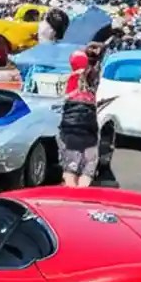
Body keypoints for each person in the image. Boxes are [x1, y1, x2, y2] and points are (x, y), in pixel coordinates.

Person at [57, 51, 101, 187]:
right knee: (88, 167)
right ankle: (82, 195)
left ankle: (71, 196)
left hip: (70, 129)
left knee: (70, 167)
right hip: (90, 128)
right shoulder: (94, 78)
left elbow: (61, 100)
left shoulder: (67, 79)